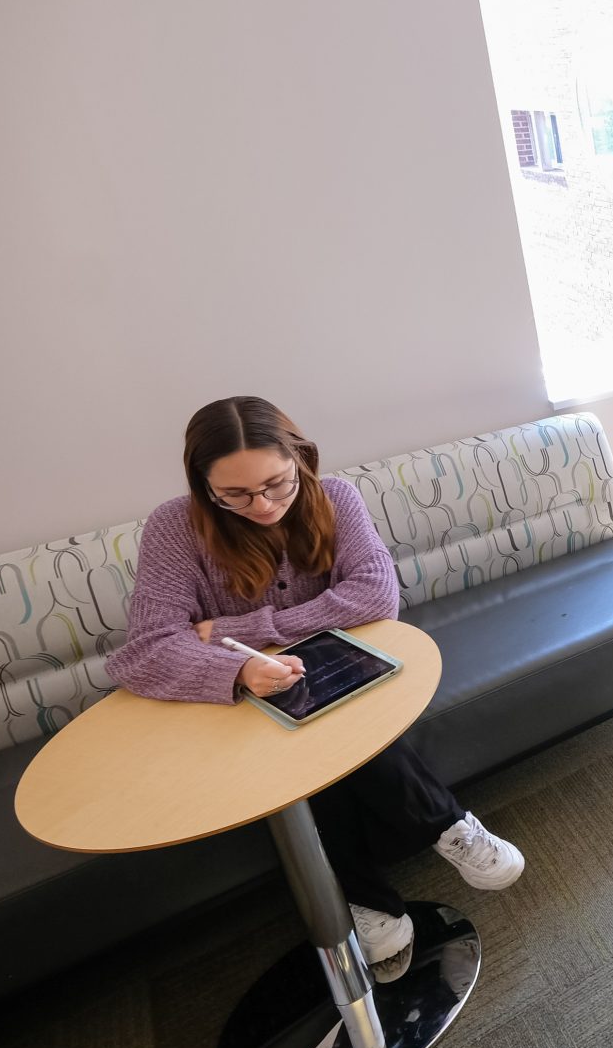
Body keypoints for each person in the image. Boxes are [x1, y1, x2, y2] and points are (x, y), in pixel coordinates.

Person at [106, 396, 525, 969]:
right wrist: (241, 667)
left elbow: (377, 595)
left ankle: (428, 846)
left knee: (342, 728)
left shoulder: (335, 499)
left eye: (277, 484)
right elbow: (149, 648)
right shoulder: (176, 527)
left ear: (299, 458)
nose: (261, 505)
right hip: (237, 692)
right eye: (235, 494)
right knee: (299, 751)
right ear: (202, 483)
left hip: (339, 667)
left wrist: (236, 629)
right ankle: (400, 872)